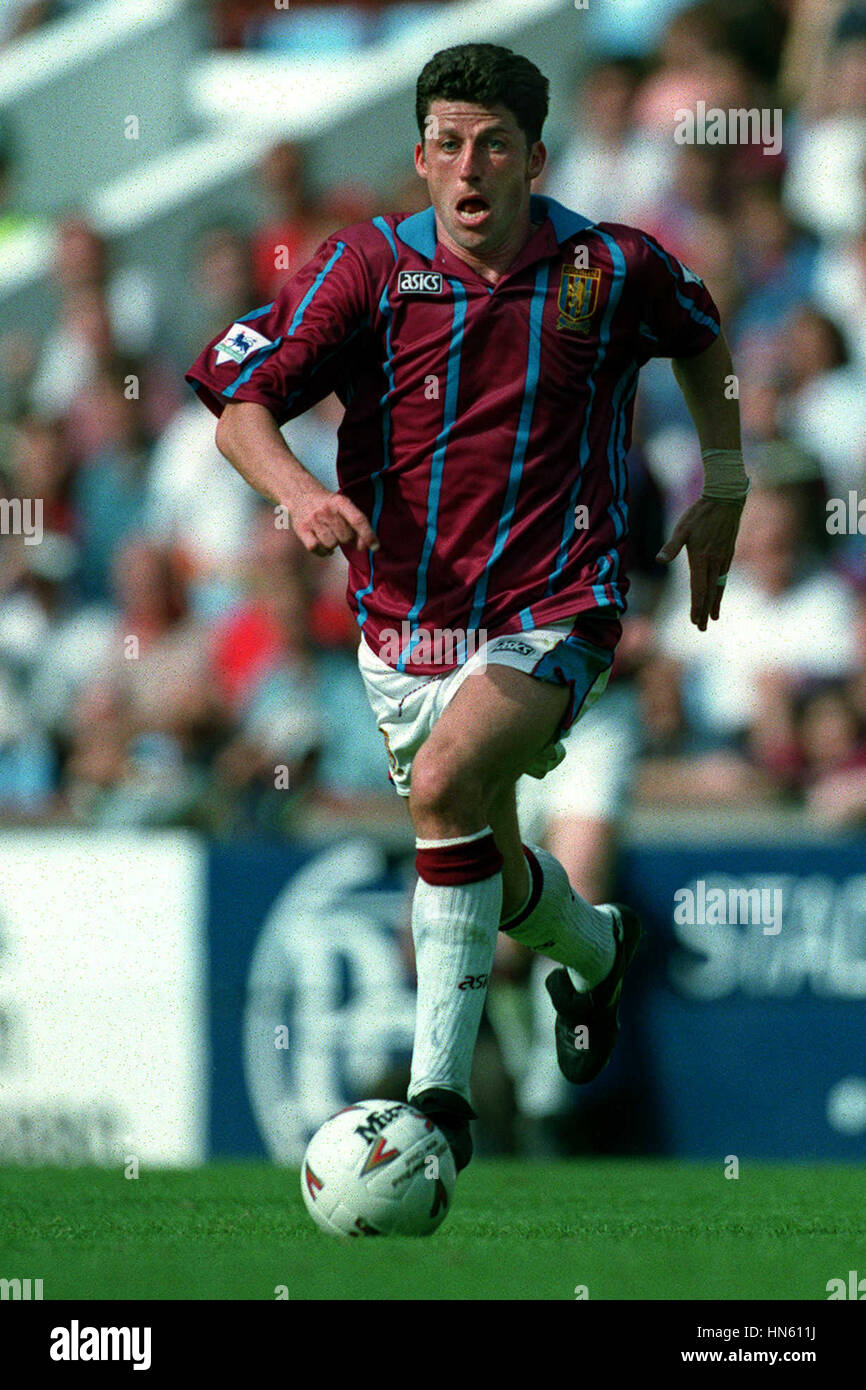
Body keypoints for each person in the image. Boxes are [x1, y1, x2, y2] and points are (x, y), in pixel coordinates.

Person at [185, 43, 748, 1174]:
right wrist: (299, 493)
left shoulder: (607, 266)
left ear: (535, 156)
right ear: (419, 156)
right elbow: (238, 401)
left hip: (561, 599)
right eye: (447, 142)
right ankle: (592, 950)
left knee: (443, 786)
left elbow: (701, 340)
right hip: (404, 629)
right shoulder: (363, 269)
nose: (468, 165)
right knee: (486, 872)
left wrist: (723, 477)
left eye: (492, 143)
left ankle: (433, 1102)